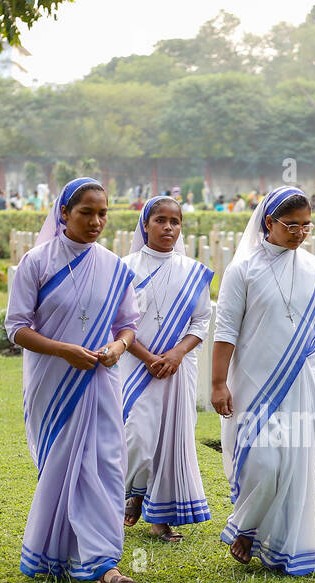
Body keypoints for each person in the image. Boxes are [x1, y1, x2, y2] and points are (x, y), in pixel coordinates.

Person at [4, 178, 141, 583]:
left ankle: (104, 565)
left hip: (100, 382)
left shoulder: (116, 267)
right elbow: (16, 328)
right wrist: (64, 350)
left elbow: (129, 326)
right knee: (63, 466)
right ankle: (54, 554)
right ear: (63, 213)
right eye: (86, 212)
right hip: (53, 384)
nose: (96, 221)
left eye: (102, 213)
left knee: (103, 465)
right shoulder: (37, 262)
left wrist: (119, 348)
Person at [210, 187, 315, 575]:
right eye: (291, 226)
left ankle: (275, 543)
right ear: (268, 223)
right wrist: (219, 383)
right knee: (264, 462)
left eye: (307, 226)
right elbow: (225, 331)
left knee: (295, 464)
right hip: (254, 380)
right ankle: (247, 523)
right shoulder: (244, 269)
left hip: (301, 381)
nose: (300, 233)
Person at [119, 196, 214, 543]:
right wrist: (148, 358)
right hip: (135, 366)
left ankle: (158, 515)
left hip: (178, 369)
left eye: (175, 221)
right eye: (161, 220)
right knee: (137, 438)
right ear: (145, 224)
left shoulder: (193, 272)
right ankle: (127, 495)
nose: (168, 227)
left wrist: (176, 354)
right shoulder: (125, 268)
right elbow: (118, 323)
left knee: (170, 439)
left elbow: (202, 320)